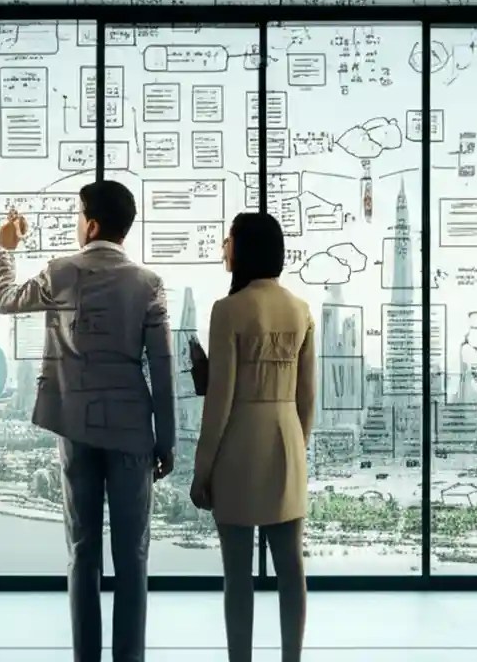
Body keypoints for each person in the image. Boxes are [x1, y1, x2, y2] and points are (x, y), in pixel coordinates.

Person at [0, 179, 174, 662]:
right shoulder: (148, 285)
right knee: (133, 557)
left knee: (82, 552)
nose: (75, 223)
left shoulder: (60, 272)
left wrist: (6, 249)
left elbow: (1, 299)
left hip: (74, 428)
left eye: (77, 215)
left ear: (90, 224)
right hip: (133, 431)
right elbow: (162, 368)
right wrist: (167, 440)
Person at [188, 212, 315, 662]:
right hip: (286, 441)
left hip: (240, 443)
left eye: (229, 240)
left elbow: (219, 400)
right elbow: (307, 399)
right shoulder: (300, 310)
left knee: (236, 574)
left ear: (245, 249)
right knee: (291, 568)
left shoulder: (228, 310)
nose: (224, 246)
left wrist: (202, 470)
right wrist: (298, 448)